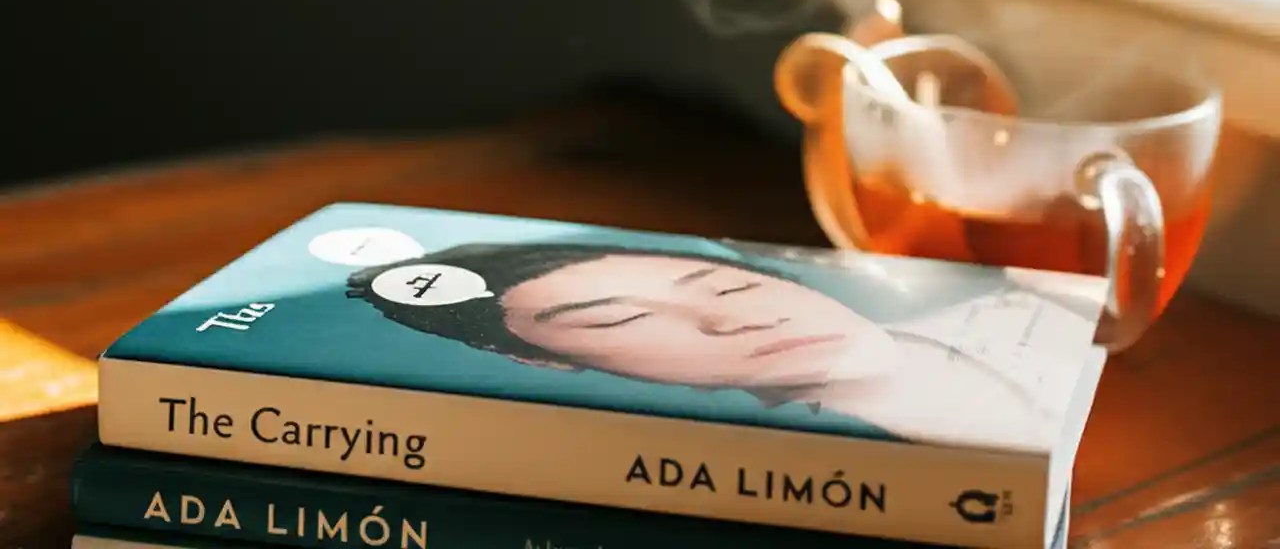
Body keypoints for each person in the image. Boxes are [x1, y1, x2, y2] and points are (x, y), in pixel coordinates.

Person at [345, 242, 1090, 451]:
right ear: (538, 360)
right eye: (612, 321)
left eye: (728, 286)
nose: (735, 322)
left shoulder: (1052, 306)